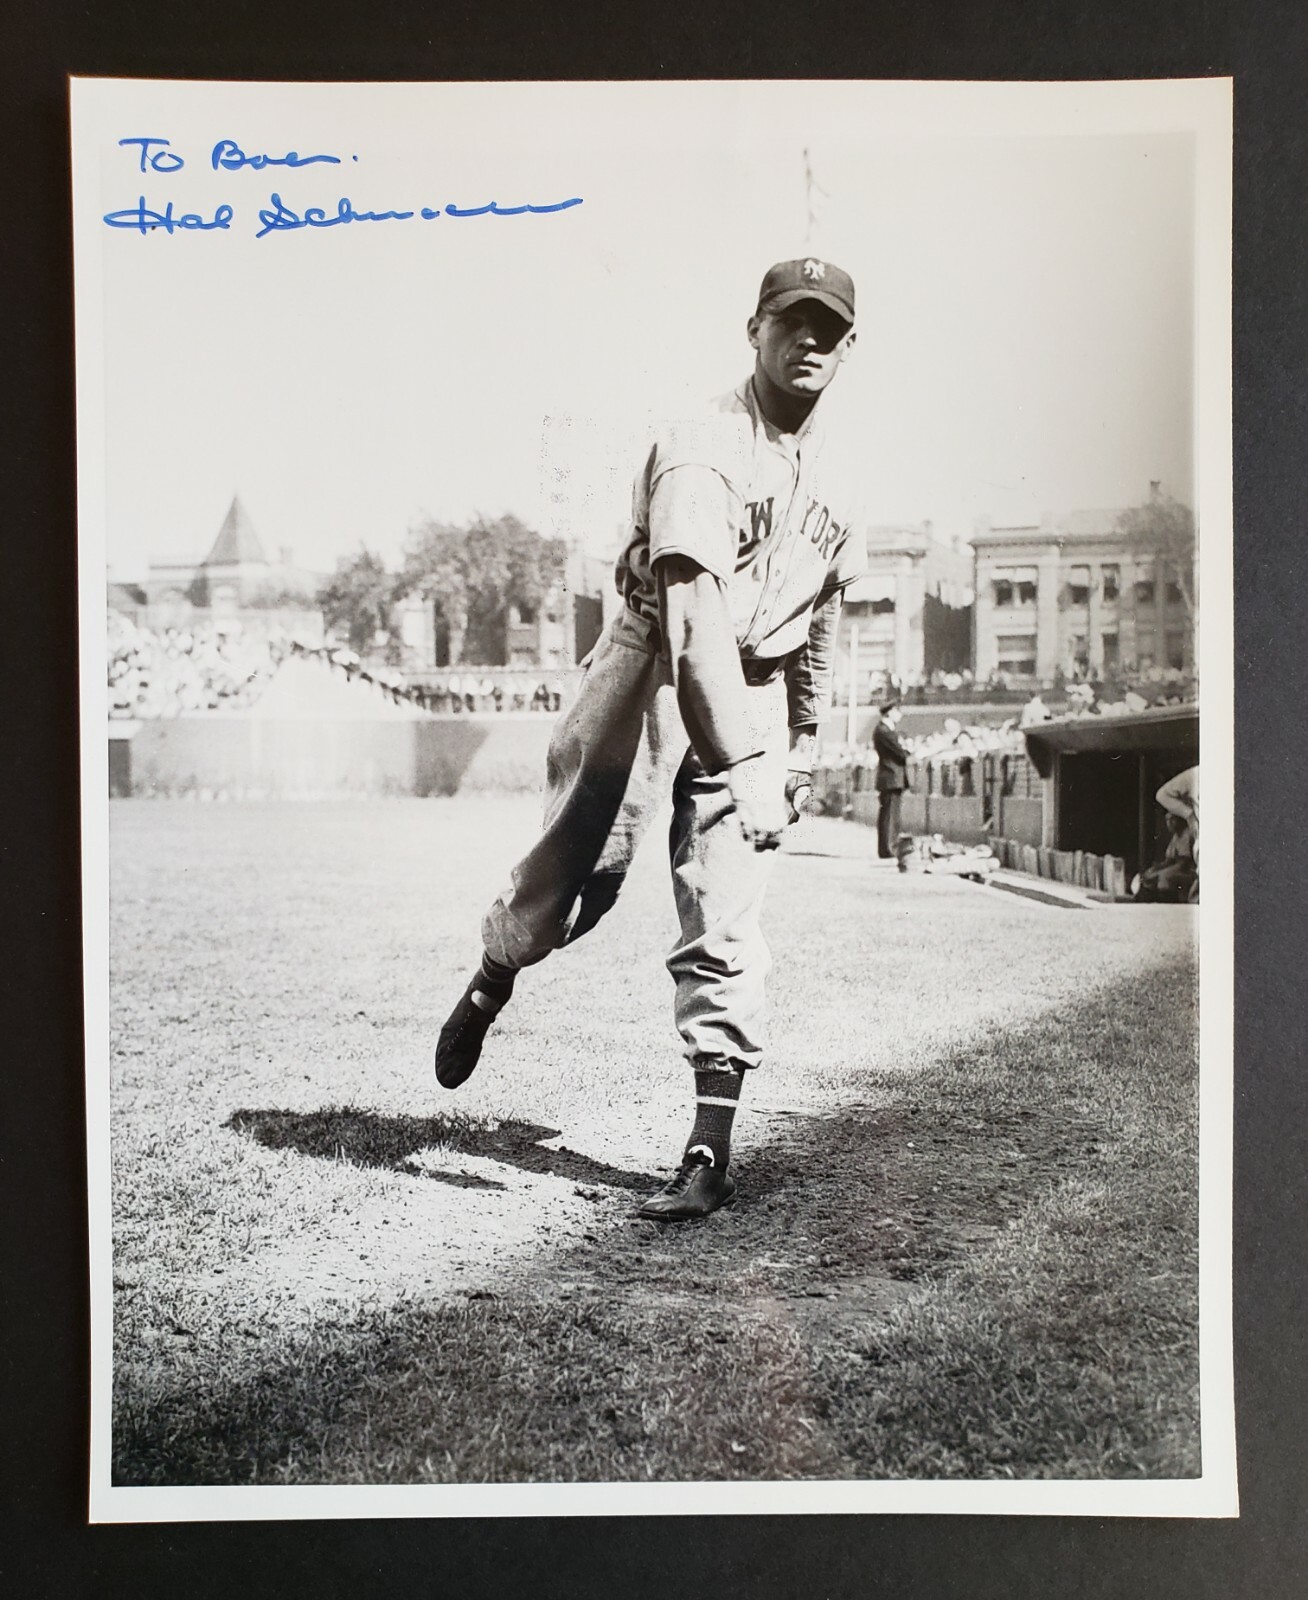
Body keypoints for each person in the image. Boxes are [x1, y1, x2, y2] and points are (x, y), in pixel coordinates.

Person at [433, 258, 865, 1221]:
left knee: (725, 913)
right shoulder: (701, 445)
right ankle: (497, 972)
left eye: (827, 330)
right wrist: (751, 764)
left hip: (747, 682)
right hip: (649, 666)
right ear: (751, 329)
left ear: (848, 347)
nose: (808, 343)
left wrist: (796, 741)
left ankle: (707, 1146)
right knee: (575, 882)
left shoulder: (841, 470)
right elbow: (692, 618)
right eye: (790, 323)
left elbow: (825, 612)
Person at [872, 700, 909, 860]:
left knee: (889, 814)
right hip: (891, 777)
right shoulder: (884, 731)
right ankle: (888, 848)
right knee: (890, 815)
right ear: (890, 711)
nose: (900, 714)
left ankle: (887, 847)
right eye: (898, 711)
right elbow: (900, 753)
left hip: (890, 777)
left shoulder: (883, 730)